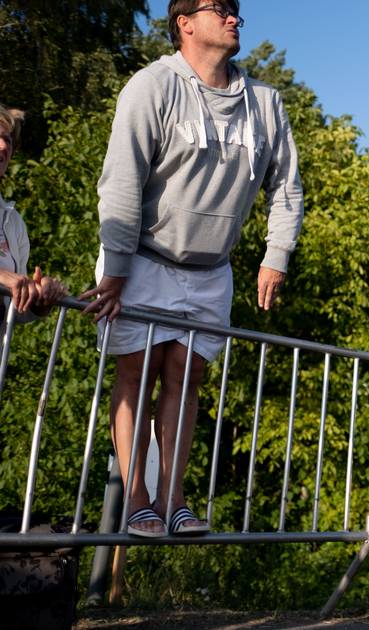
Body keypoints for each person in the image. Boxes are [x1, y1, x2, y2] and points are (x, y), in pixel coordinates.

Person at [81, 0, 304, 537]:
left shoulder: (266, 103)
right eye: (219, 9)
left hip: (212, 268)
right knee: (136, 372)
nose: (233, 18)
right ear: (184, 22)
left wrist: (276, 256)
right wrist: (114, 267)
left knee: (186, 378)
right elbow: (122, 181)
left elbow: (286, 188)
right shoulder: (152, 85)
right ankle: (137, 500)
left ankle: (173, 500)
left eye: (236, 12)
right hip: (143, 258)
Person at [0, 105, 67, 326]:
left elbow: (15, 311)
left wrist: (39, 296)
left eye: (8, 140)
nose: (3, 146)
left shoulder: (12, 221)